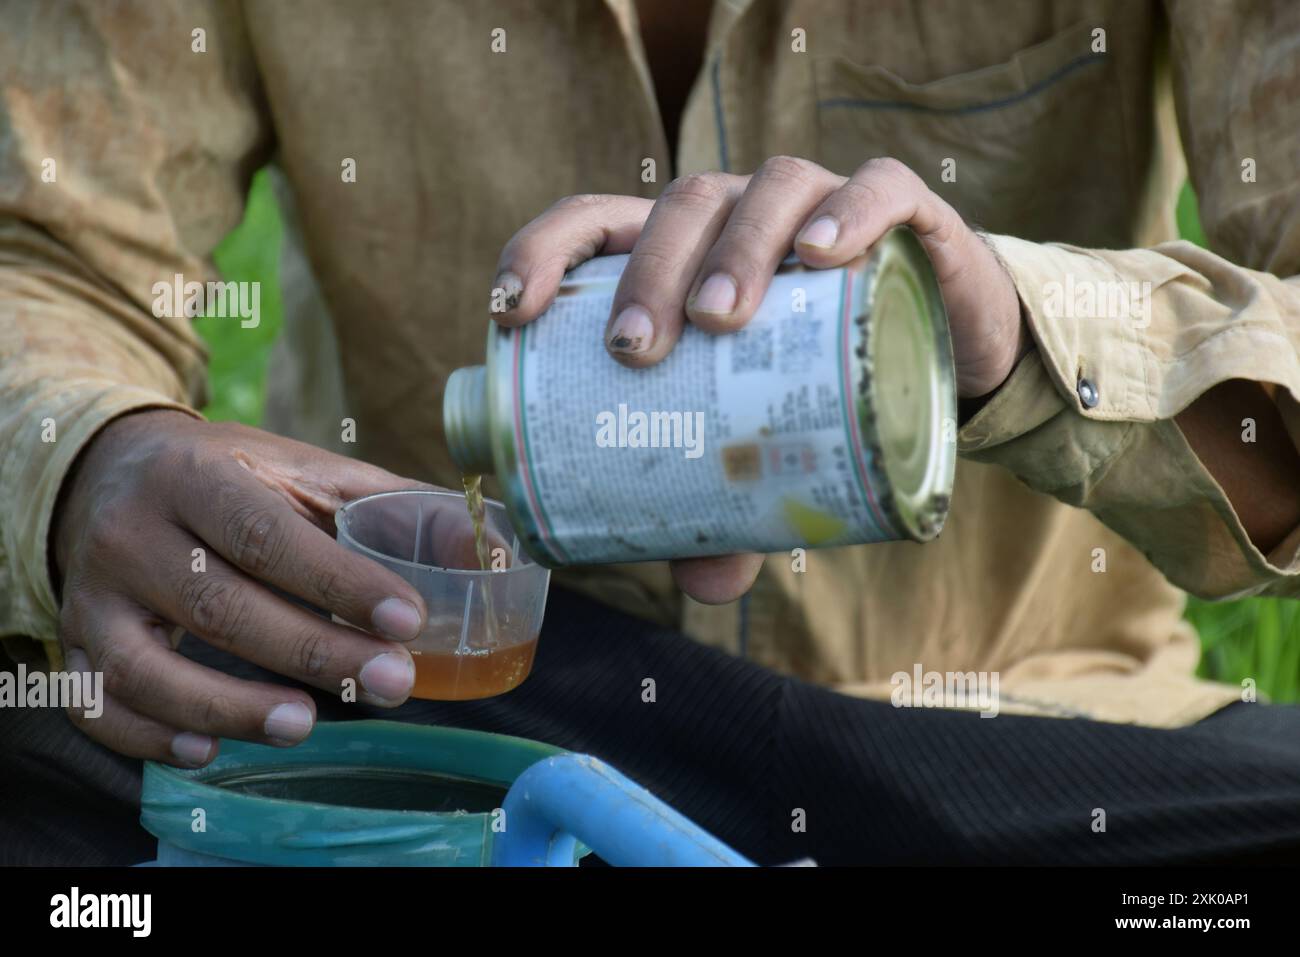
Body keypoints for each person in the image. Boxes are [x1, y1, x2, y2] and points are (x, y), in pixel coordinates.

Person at [2, 1, 1299, 864]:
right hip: (457, 713)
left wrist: (1010, 333)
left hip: (1015, 741)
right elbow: (39, 247)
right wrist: (85, 456)